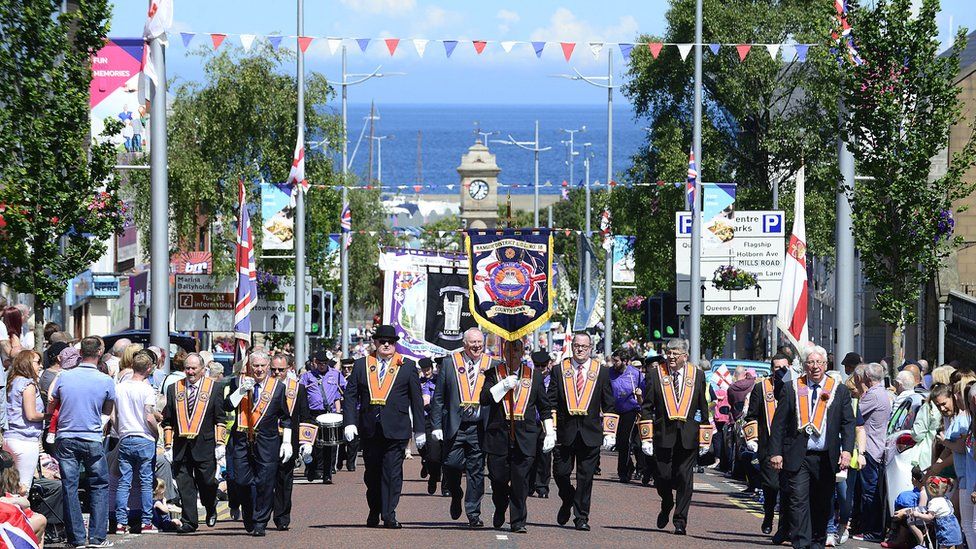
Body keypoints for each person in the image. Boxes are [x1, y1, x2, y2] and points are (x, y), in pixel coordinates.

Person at [770, 344, 855, 549]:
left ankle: (817, 541)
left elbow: (848, 423)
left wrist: (846, 451)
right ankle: (801, 543)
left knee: (822, 502)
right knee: (798, 500)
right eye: (811, 362)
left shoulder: (838, 390)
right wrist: (776, 453)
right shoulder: (792, 388)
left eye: (819, 362)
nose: (815, 366)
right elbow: (779, 423)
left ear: (825, 365)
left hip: (826, 456)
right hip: (798, 455)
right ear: (805, 365)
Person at [342, 325, 425, 528]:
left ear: (395, 344)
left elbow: (416, 400)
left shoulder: (407, 365)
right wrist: (350, 423)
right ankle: (374, 509)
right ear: (375, 343)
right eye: (382, 341)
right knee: (372, 474)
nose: (386, 344)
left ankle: (389, 514)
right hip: (370, 429)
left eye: (390, 341)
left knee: (392, 472)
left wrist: (420, 430)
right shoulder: (362, 365)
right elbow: (351, 396)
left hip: (396, 429)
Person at [479, 338, 554, 533]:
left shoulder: (534, 377)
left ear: (522, 353)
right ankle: (500, 505)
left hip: (525, 437)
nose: (513, 356)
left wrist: (550, 431)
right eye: (509, 352)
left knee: (520, 482)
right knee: (498, 479)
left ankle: (518, 521)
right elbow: (484, 399)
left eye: (517, 351)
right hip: (498, 438)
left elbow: (544, 407)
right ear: (503, 353)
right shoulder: (493, 374)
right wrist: (503, 385)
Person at [48, 336, 116, 548]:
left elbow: (52, 399)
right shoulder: (105, 380)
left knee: (70, 486)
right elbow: (108, 409)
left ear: (80, 353)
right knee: (99, 485)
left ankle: (76, 538)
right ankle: (97, 538)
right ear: (99, 352)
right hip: (92, 437)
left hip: (66, 436)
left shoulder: (64, 376)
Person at [639, 338, 710, 536]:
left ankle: (680, 520)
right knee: (662, 476)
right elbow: (646, 408)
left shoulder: (697, 375)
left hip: (688, 436)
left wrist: (705, 437)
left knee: (685, 478)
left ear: (684, 356)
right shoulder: (655, 374)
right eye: (668, 353)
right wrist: (646, 437)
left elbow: (703, 408)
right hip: (663, 434)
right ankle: (667, 502)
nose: (670, 357)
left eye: (675, 354)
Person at [549, 332, 618, 531]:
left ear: (590, 348)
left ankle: (581, 517)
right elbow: (551, 401)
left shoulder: (601, 372)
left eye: (584, 346)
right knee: (561, 474)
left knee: (585, 478)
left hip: (591, 433)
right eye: (577, 346)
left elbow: (609, 404)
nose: (580, 349)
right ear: (572, 347)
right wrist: (551, 429)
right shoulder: (559, 370)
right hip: (565, 431)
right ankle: (568, 497)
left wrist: (610, 432)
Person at [223, 349, 294, 537]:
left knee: (264, 483)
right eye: (256, 366)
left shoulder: (277, 388)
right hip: (241, 440)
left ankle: (261, 522)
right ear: (249, 366)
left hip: (267, 442)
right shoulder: (237, 383)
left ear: (268, 367)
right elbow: (227, 406)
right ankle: (248, 514)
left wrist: (286, 442)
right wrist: (241, 391)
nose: (260, 370)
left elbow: (286, 418)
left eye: (263, 366)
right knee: (241, 481)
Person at [431, 328, 494, 528]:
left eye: (479, 342)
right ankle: (456, 493)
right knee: (451, 465)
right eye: (472, 342)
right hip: (455, 427)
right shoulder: (450, 364)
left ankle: (473, 513)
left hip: (479, 427)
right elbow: (439, 398)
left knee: (476, 471)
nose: (476, 346)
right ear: (464, 344)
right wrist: (436, 426)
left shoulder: (493, 365)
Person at [162, 352, 227, 534]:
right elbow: (168, 420)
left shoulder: (215, 388)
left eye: (194, 368)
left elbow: (220, 418)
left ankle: (210, 504)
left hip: (205, 445)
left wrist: (220, 443)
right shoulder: (174, 389)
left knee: (206, 482)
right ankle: (189, 521)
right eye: (187, 368)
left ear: (202, 369)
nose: (190, 372)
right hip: (181, 446)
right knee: (184, 484)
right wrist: (168, 445)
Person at [743, 353, 790, 539]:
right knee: (771, 485)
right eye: (776, 368)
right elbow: (752, 415)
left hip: (790, 447)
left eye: (783, 367)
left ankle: (783, 527)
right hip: (768, 446)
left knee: (788, 489)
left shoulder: (797, 386)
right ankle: (769, 513)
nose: (780, 371)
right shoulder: (761, 388)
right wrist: (752, 438)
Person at [113, 350, 159, 534]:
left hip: (125, 437)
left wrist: (120, 430)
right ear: (148, 368)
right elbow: (149, 417)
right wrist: (156, 433)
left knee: (124, 482)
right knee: (146, 482)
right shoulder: (147, 389)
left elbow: (114, 415)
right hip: (144, 437)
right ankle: (147, 522)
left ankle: (120, 523)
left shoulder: (120, 387)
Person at [270, 353, 316, 531]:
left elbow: (305, 416)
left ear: (289, 369)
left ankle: (282, 517)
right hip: (266, 439)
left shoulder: (298, 389)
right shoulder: (263, 387)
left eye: (280, 370)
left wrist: (306, 442)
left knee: (284, 479)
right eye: (273, 369)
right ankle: (263, 511)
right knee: (265, 480)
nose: (276, 373)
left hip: (289, 440)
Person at [857, 362, 893, 543]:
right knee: (868, 490)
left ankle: (873, 530)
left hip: (870, 447)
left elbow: (854, 414)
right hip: (875, 446)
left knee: (869, 491)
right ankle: (868, 527)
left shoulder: (873, 395)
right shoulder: (882, 393)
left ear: (867, 378)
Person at [300, 350, 344, 484]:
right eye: (319, 363)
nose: (322, 366)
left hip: (328, 413)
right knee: (311, 445)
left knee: (328, 445)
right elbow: (300, 391)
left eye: (324, 363)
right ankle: (312, 468)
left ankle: (327, 473)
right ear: (314, 363)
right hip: (312, 414)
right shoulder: (308, 376)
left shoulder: (335, 375)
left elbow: (346, 388)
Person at [3, 350, 44, 491]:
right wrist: (48, 416)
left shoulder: (11, 382)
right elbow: (31, 415)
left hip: (9, 439)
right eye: (37, 362)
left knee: (9, 487)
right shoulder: (28, 385)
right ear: (27, 363)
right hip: (25, 441)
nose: (40, 365)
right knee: (23, 489)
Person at [608, 348, 644, 484]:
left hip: (630, 409)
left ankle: (623, 471)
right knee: (617, 441)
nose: (614, 364)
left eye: (616, 361)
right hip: (614, 410)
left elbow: (643, 392)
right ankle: (629, 465)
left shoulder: (635, 374)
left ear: (625, 361)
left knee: (625, 440)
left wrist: (640, 397)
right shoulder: (609, 373)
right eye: (613, 361)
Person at [910, 476, 964, 549]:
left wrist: (917, 514)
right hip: (954, 527)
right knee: (954, 545)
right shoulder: (945, 499)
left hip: (945, 529)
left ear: (931, 490)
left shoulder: (934, 502)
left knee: (945, 546)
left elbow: (929, 517)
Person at [528, 350, 554, 498]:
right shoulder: (528, 377)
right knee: (529, 454)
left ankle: (542, 486)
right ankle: (529, 484)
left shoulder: (553, 379)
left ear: (548, 364)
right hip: (531, 421)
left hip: (547, 421)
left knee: (544, 456)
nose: (539, 369)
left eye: (542, 366)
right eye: (537, 366)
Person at [418, 357, 444, 495]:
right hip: (423, 419)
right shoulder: (419, 382)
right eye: (423, 369)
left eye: (428, 369)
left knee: (440, 453)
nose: (426, 372)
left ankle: (441, 482)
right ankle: (427, 464)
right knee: (423, 447)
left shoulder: (439, 381)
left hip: (438, 419)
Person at [337, 358, 359, 471]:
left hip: (354, 410)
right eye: (344, 368)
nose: (346, 370)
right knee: (339, 438)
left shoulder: (356, 377)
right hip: (340, 410)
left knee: (353, 439)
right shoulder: (337, 378)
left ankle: (351, 463)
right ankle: (340, 459)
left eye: (349, 368)